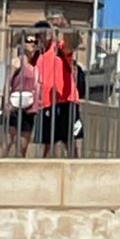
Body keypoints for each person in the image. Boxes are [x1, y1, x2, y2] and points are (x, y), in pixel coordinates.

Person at [31, 21, 79, 159]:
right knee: (47, 142)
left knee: (69, 140)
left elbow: (71, 43)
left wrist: (65, 27)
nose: (43, 36)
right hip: (46, 104)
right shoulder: (38, 56)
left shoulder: (59, 48)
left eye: (45, 32)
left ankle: (75, 172)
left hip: (66, 100)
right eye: (39, 34)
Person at [5, 36, 39, 157]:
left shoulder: (34, 67)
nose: (33, 44)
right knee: (9, 141)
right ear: (22, 44)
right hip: (15, 104)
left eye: (35, 42)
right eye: (29, 41)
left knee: (23, 145)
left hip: (29, 107)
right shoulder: (17, 62)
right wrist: (6, 102)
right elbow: (7, 82)